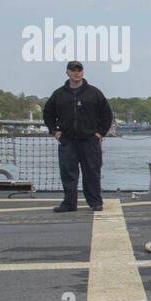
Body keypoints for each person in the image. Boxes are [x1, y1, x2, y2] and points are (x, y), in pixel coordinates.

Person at [43, 60, 113, 212]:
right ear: (67, 72)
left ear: (83, 72)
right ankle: (69, 203)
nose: (76, 73)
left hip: (90, 140)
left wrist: (99, 134)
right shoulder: (59, 94)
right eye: (73, 70)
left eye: (79, 70)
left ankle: (95, 202)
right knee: (68, 173)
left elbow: (107, 115)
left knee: (92, 172)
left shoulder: (94, 93)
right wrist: (54, 132)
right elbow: (47, 113)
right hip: (67, 140)